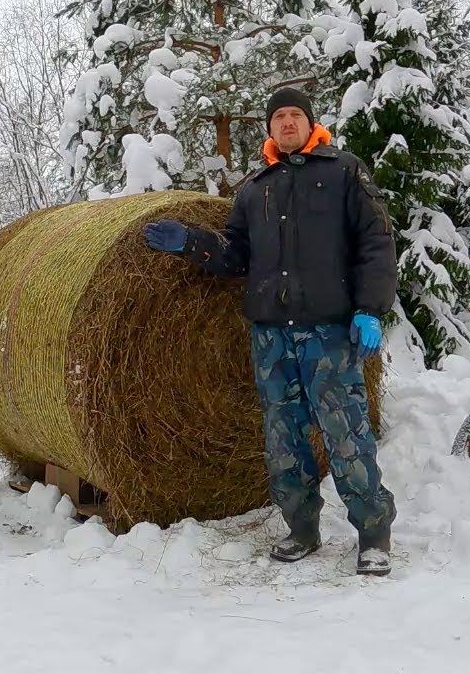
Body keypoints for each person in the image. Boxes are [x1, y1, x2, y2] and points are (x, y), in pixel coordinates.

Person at [142, 87, 398, 576]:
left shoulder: (343, 171)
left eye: (294, 115)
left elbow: (376, 240)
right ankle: (301, 528)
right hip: (271, 338)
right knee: (283, 441)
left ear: (310, 123)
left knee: (346, 435)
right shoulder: (254, 187)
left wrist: (369, 307)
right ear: (268, 128)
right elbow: (236, 255)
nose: (286, 123)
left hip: (328, 333)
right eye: (277, 116)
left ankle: (373, 533)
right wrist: (192, 242)